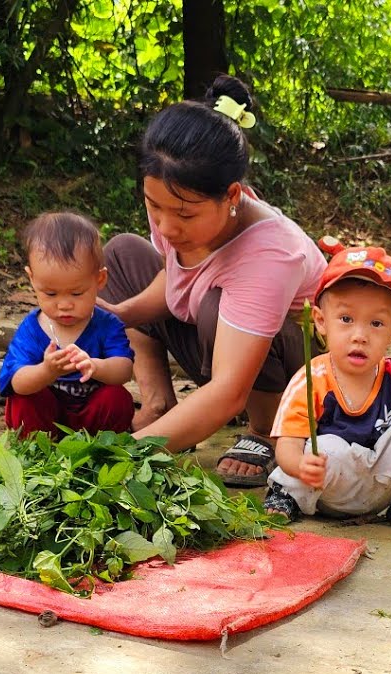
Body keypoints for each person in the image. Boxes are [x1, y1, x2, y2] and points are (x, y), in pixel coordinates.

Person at [99, 74, 327, 486]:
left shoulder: (271, 254)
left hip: (301, 374)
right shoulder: (177, 217)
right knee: (122, 254)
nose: (167, 227)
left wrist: (120, 457)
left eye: (185, 214)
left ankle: (265, 431)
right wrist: (121, 312)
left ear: (233, 196)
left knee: (216, 305)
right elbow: (176, 278)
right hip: (220, 344)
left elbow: (227, 391)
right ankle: (158, 406)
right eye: (155, 206)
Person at [262, 243, 391, 533]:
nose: (360, 336)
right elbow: (287, 444)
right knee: (328, 447)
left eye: (376, 323)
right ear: (320, 321)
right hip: (324, 487)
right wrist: (299, 467)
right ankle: (287, 494)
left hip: (380, 487)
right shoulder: (311, 379)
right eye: (346, 319)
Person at [0, 211, 135, 437]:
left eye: (77, 293)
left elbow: (124, 369)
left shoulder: (105, 324)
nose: (64, 305)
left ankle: (101, 449)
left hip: (90, 421)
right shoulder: (32, 329)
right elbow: (17, 382)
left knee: (116, 397)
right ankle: (37, 452)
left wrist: (95, 366)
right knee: (24, 400)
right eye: (50, 294)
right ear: (32, 278)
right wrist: (46, 371)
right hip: (45, 422)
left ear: (99, 280)